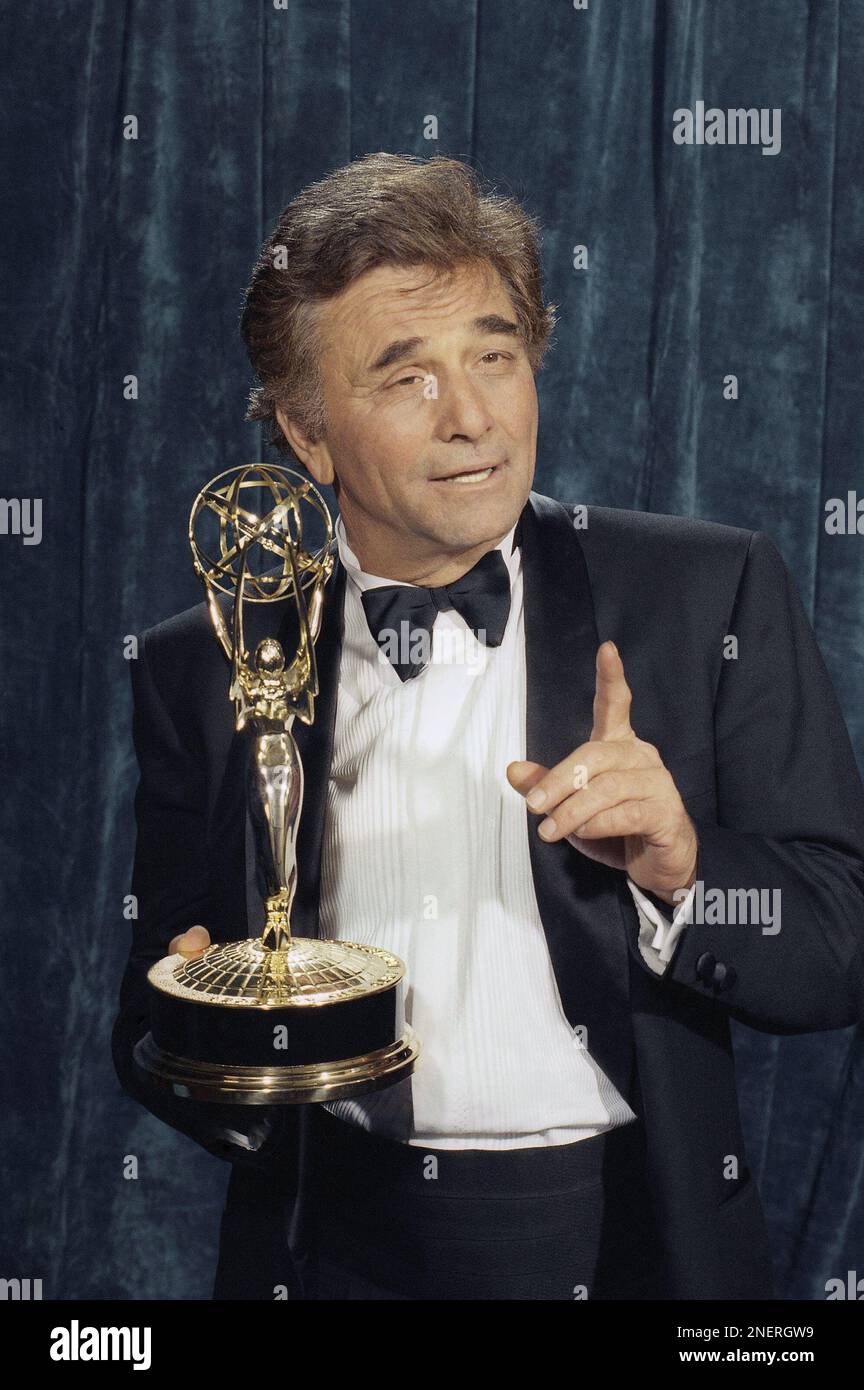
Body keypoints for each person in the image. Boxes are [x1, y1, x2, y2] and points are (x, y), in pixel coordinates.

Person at [111, 152, 864, 1301]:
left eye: (497, 358)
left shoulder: (708, 595)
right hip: (328, 1252)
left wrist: (685, 871)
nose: (472, 418)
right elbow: (151, 1018)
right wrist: (212, 1038)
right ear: (308, 438)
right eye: (405, 379)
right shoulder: (202, 660)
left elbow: (837, 944)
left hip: (632, 1249)